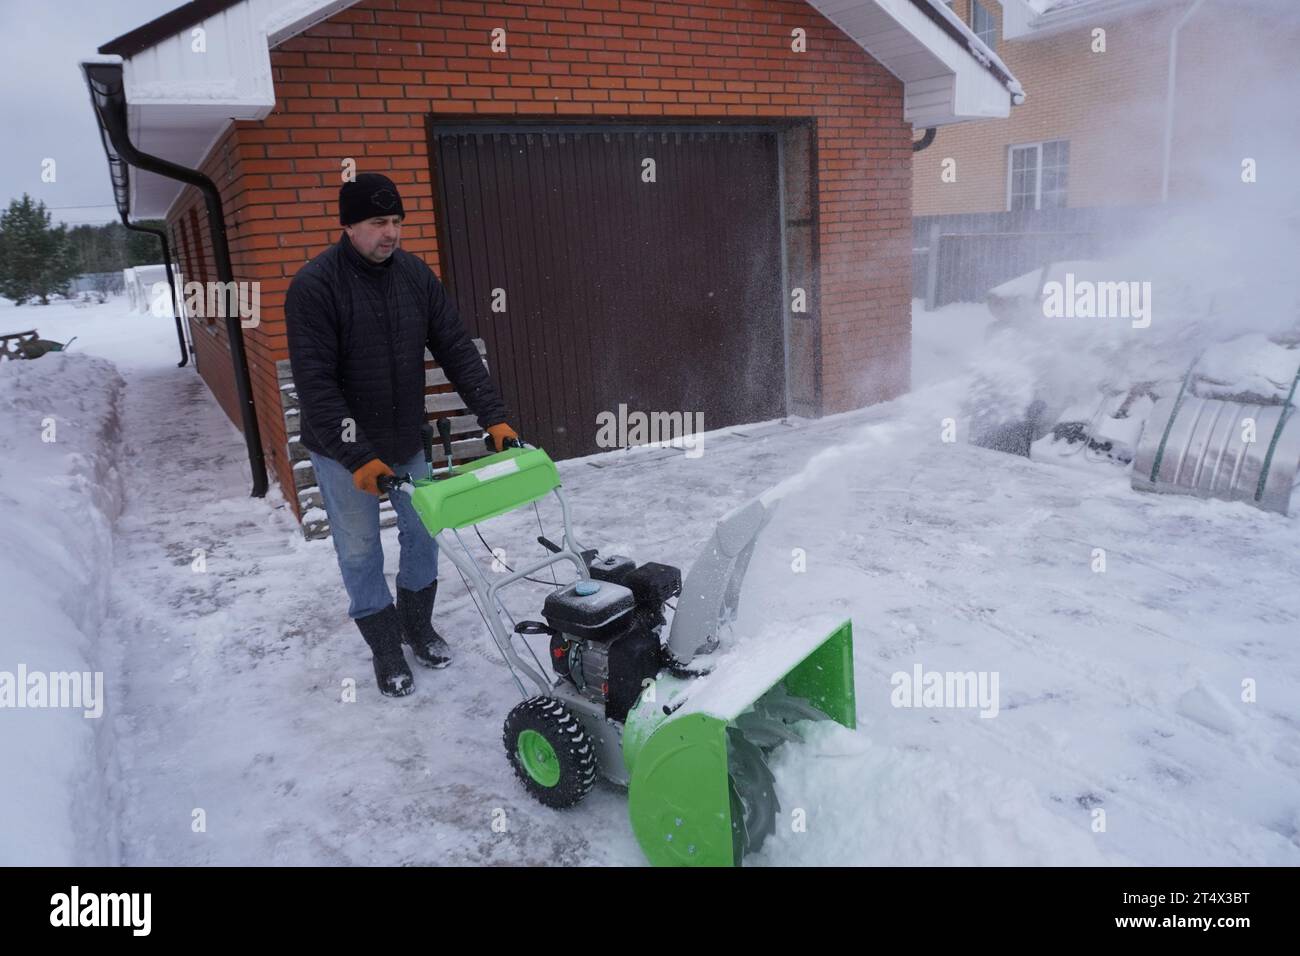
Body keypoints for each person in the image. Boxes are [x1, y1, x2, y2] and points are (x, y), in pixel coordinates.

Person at [285, 172, 518, 698]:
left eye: (396, 222)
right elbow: (317, 386)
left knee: (424, 536)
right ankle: (386, 647)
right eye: (377, 222)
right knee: (361, 548)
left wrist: (493, 417)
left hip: (405, 440)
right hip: (345, 454)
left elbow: (456, 348)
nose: (390, 233)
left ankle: (417, 626)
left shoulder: (414, 276)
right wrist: (359, 456)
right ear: (348, 226)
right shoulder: (314, 287)